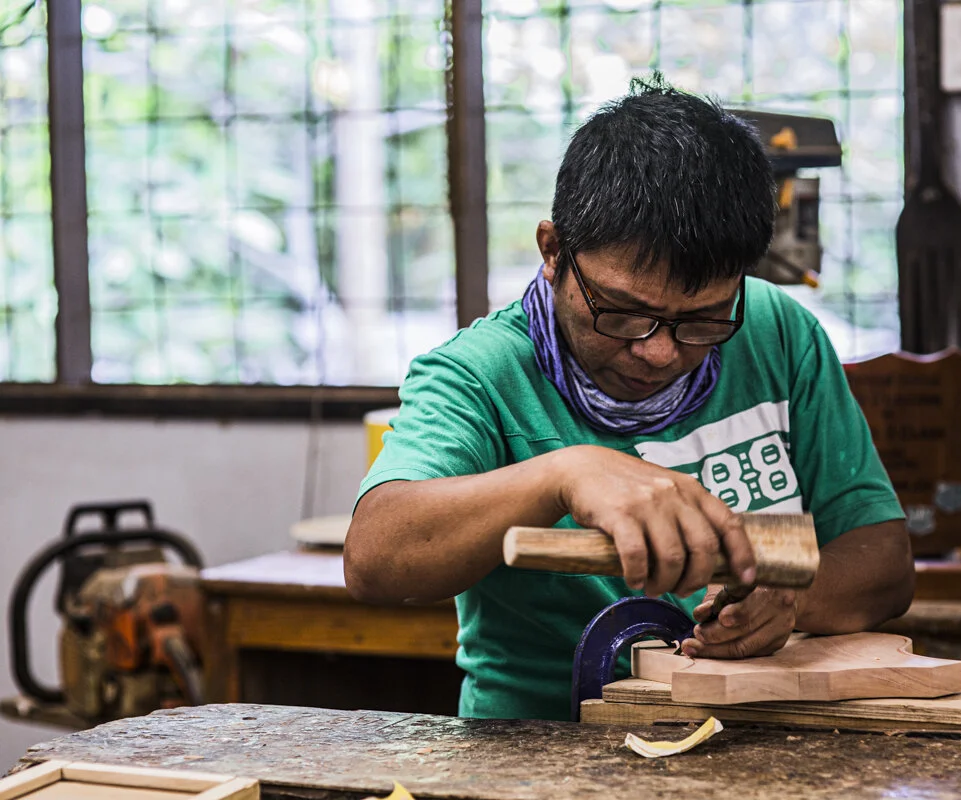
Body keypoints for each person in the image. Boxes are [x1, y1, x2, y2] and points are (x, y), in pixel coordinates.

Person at [346, 76, 914, 722]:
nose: (659, 352)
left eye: (699, 321)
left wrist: (791, 598)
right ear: (554, 252)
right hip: (540, 756)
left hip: (759, 745)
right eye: (622, 313)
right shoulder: (483, 376)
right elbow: (374, 557)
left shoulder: (778, 335)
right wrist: (564, 473)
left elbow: (886, 560)